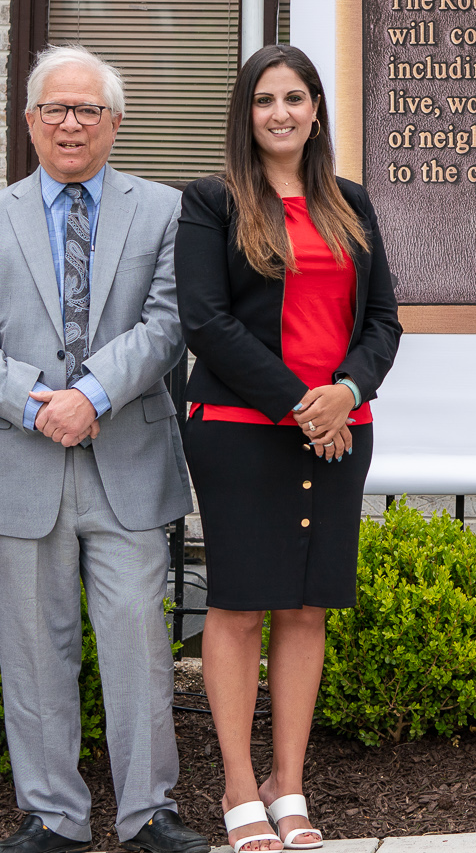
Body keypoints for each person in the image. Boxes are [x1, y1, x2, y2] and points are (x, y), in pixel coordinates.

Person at [0, 47, 204, 853]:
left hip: (124, 457)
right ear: (28, 122)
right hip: (19, 462)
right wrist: (36, 403)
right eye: (54, 109)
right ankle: (51, 815)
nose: (70, 124)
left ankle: (148, 812)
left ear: (115, 123)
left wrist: (90, 395)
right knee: (32, 650)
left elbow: (167, 324)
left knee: (138, 643)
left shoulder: (164, 211)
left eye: (88, 110)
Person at [177, 45, 401, 852]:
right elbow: (205, 321)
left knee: (307, 608)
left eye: (295, 98)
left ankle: (288, 782)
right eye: (265, 100)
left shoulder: (350, 203)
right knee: (239, 605)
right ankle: (240, 786)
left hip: (342, 431)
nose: (280, 113)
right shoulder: (212, 203)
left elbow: (383, 323)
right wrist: (301, 406)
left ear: (315, 111)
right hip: (242, 430)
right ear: (246, 114)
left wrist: (347, 391)